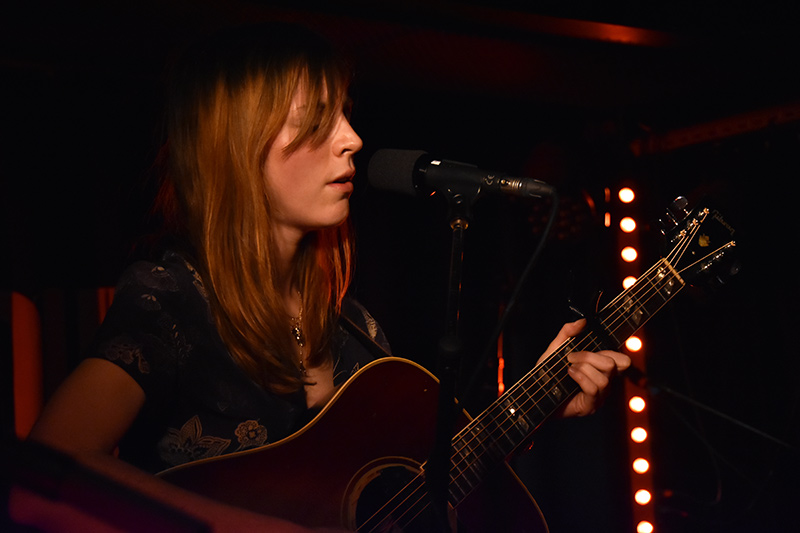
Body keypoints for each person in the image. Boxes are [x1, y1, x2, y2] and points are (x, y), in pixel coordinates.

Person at [11, 23, 630, 532]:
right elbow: (42, 471)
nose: (353, 140)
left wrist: (537, 406)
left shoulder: (354, 328)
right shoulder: (170, 302)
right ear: (239, 145)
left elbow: (412, 495)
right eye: (317, 121)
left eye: (346, 115)